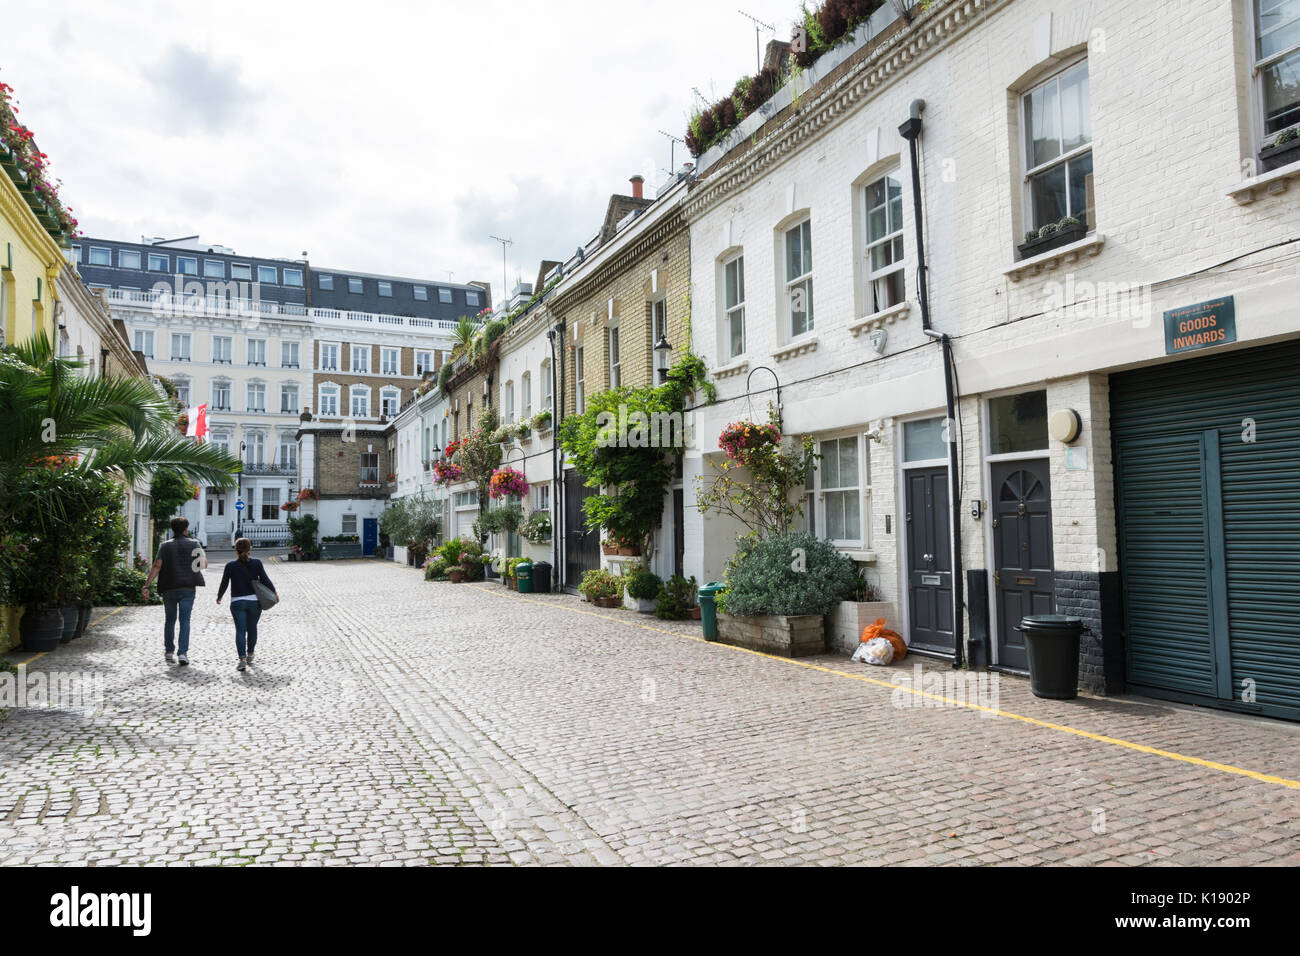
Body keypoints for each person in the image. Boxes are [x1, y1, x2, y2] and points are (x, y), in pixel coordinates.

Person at [143, 516, 207, 665]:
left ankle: (169, 651)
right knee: (185, 621)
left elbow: (157, 566)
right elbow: (203, 565)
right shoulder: (195, 543)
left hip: (169, 587)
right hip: (187, 588)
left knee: (170, 620)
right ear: (186, 529)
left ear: (172, 529)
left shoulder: (164, 546)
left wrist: (147, 586)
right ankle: (183, 653)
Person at [216, 537, 276, 672]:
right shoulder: (257, 563)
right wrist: (275, 593)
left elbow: (224, 583)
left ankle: (242, 659)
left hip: (237, 602)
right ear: (250, 549)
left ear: (235, 550)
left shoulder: (230, 565)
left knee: (240, 630)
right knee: (252, 628)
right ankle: (250, 654)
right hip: (254, 602)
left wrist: (219, 596)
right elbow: (266, 580)